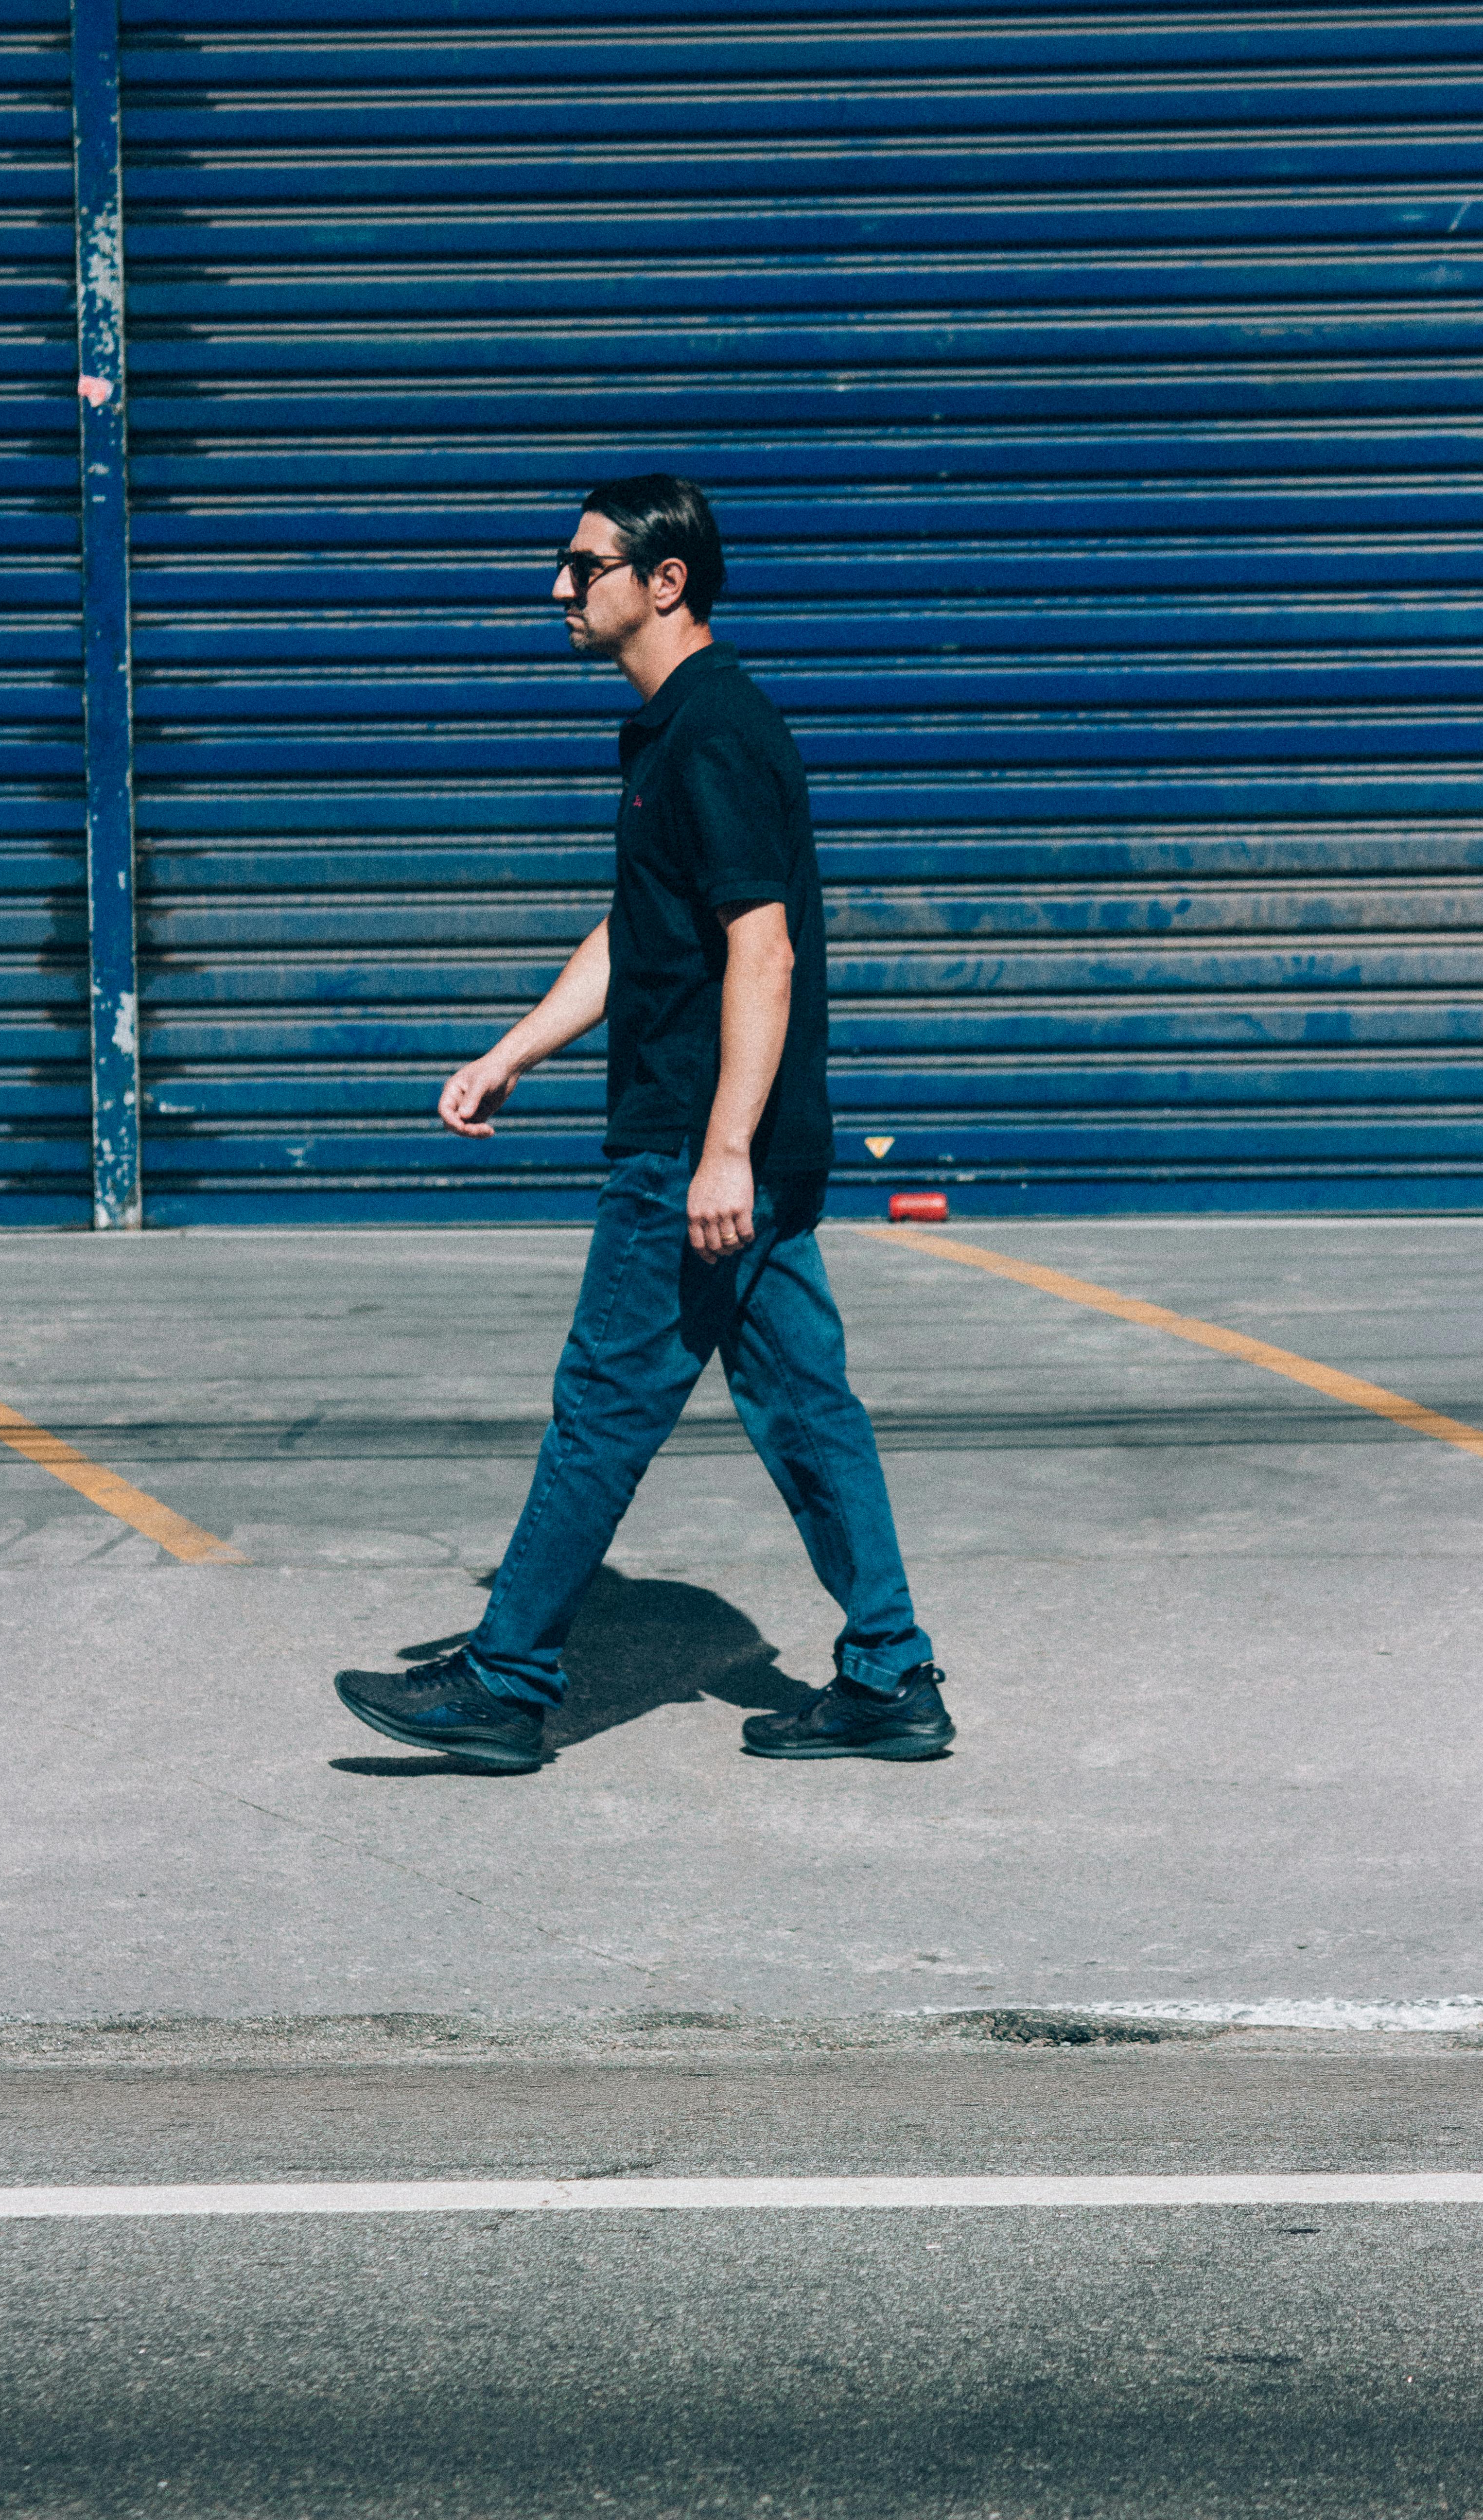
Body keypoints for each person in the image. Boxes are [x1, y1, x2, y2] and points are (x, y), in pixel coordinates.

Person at [334, 474, 950, 1775]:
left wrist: (721, 1147)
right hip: (735, 1142)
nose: (561, 589)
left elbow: (762, 953)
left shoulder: (712, 732)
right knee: (807, 1408)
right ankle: (891, 1677)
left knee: (605, 1403)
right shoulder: (677, 735)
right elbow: (642, 934)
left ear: (663, 580)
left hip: (694, 1142)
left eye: (584, 565)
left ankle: (505, 1685)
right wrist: (514, 1053)